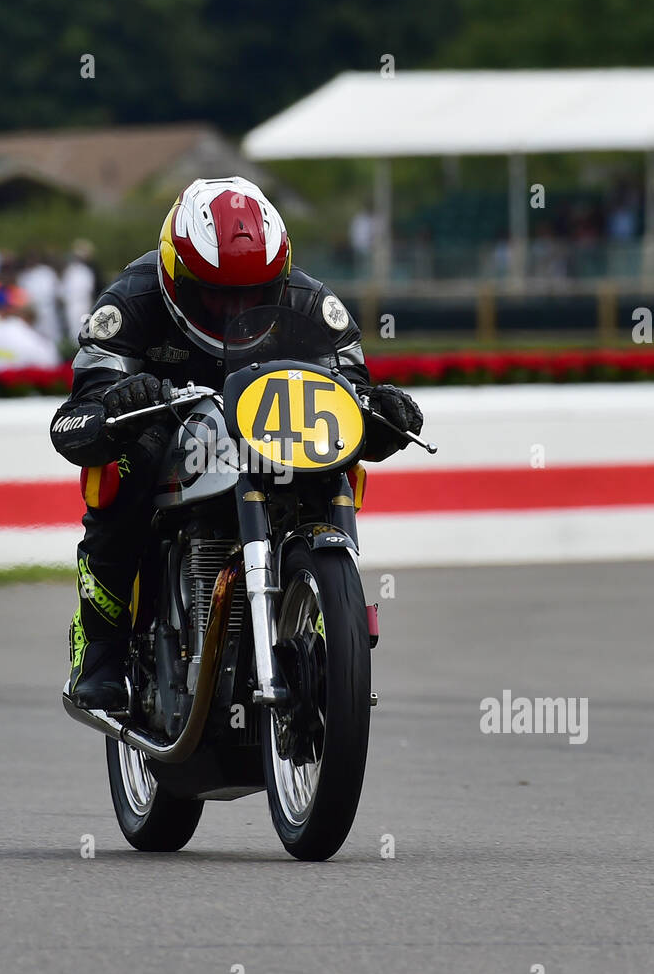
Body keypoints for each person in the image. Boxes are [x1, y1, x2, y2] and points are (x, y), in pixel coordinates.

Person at [49, 176, 423, 711]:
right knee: (126, 465)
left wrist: (380, 413)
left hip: (271, 434)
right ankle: (101, 647)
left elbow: (349, 392)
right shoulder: (129, 302)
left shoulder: (314, 305)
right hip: (173, 430)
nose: (234, 311)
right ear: (177, 274)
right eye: (216, 296)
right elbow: (75, 421)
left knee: (337, 464)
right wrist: (116, 404)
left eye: (253, 295)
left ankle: (328, 630)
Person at [60, 239, 97, 342]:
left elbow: (88, 289)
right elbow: (64, 289)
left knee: (84, 327)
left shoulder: (86, 271)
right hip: (71, 304)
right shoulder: (69, 271)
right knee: (73, 328)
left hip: (83, 303)